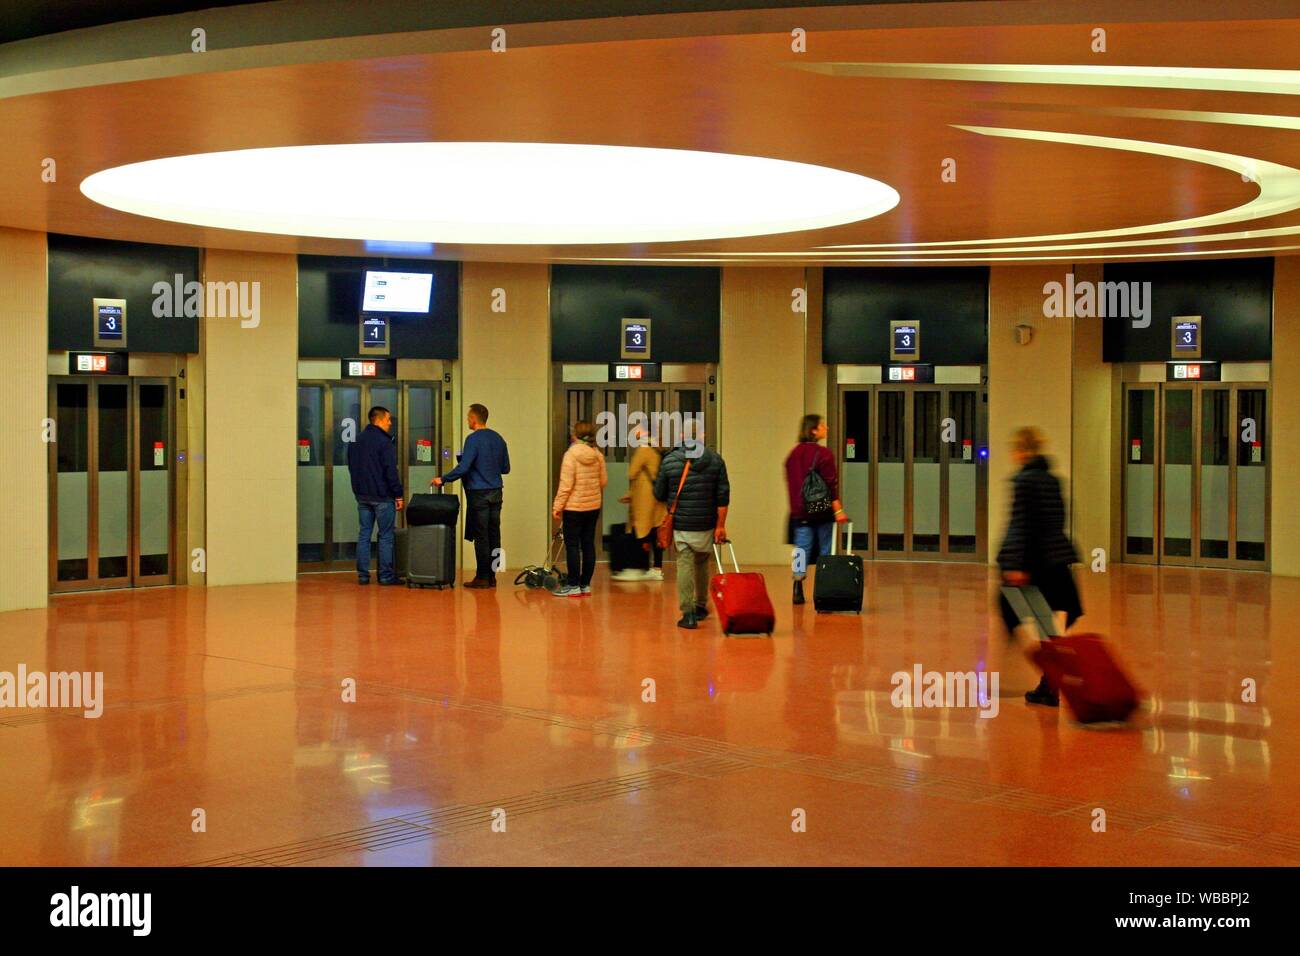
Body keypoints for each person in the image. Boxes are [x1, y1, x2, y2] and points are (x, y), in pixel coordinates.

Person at [997, 426, 1083, 707]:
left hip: (1032, 565)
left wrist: (1013, 564)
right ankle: (1052, 681)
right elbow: (1057, 521)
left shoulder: (1024, 481)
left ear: (1021, 451)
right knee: (1047, 624)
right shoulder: (1052, 479)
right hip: (1055, 563)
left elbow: (1020, 525)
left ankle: (1055, 677)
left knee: (1020, 614)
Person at [653, 427, 730, 630]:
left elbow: (659, 493)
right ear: (702, 436)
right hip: (706, 522)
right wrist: (720, 525)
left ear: (680, 436)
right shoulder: (715, 460)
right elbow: (723, 496)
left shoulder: (669, 460)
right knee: (703, 562)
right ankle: (701, 606)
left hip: (681, 522)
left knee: (684, 563)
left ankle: (688, 614)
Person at [432, 403, 510, 589]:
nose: (468, 420)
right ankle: (492, 576)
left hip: (478, 494)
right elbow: (506, 468)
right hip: (496, 491)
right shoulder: (499, 439)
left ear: (474, 419)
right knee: (494, 534)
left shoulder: (473, 439)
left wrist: (443, 479)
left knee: (481, 536)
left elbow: (464, 467)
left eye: (468, 418)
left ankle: (482, 577)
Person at [785, 414, 848, 605]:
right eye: (822, 425)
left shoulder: (793, 454)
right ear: (813, 430)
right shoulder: (824, 454)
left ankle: (797, 586)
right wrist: (838, 510)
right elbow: (831, 484)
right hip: (821, 510)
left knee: (801, 550)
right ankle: (824, 588)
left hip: (800, 512)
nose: (826, 427)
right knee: (825, 550)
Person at [348, 405, 404, 586]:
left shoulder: (356, 440)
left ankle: (363, 576)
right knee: (385, 536)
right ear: (378, 420)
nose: (390, 423)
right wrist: (398, 494)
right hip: (383, 497)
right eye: (388, 419)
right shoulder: (384, 442)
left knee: (364, 534)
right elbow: (391, 471)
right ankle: (386, 576)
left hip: (362, 496)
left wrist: (357, 489)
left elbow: (352, 467)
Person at [551, 421, 608, 597]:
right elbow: (603, 481)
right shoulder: (597, 455)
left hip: (574, 508)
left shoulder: (571, 455)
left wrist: (557, 507)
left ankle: (573, 585)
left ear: (575, 434)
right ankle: (585, 585)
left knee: (573, 546)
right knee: (588, 544)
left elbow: (566, 485)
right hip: (593, 507)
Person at [615, 428, 667, 582]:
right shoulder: (658, 448)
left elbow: (631, 472)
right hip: (657, 496)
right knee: (655, 531)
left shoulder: (644, 448)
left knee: (639, 530)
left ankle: (635, 567)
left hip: (645, 498)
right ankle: (656, 568)